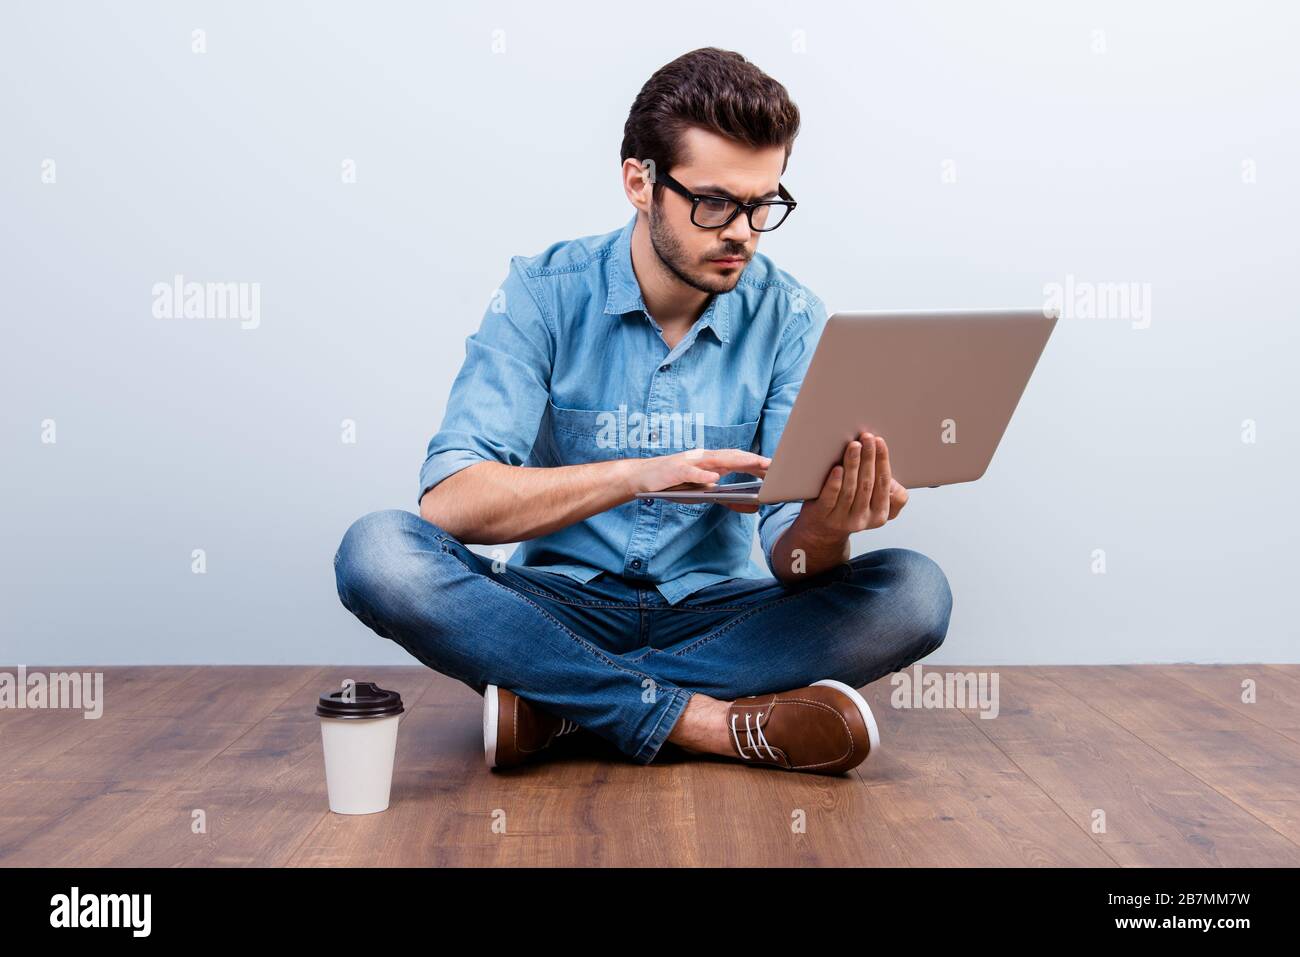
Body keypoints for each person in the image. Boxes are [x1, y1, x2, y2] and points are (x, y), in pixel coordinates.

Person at [334, 47, 952, 775]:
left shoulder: (789, 317)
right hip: (556, 604)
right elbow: (451, 504)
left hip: (717, 612)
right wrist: (639, 473)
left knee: (916, 592)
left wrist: (829, 521)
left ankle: (563, 700)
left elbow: (795, 559)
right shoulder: (542, 293)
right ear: (640, 182)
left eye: (764, 204)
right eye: (715, 203)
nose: (743, 233)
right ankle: (709, 721)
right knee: (377, 552)